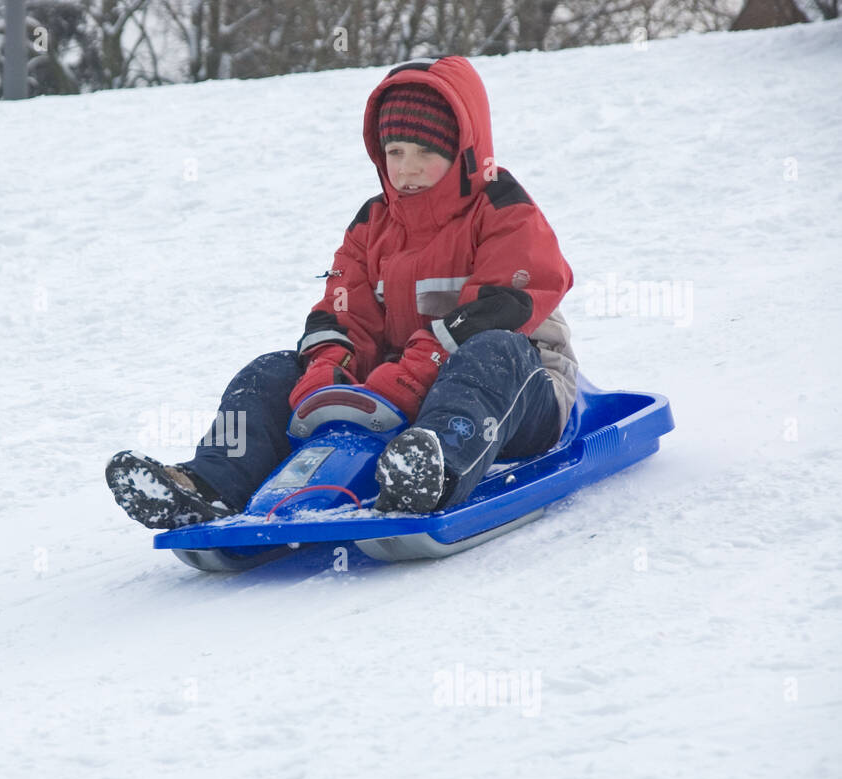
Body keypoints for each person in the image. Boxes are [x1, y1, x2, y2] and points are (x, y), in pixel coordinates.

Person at [106, 55, 578, 529]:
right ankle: (207, 484)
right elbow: (340, 309)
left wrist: (414, 375)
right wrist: (326, 371)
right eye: (395, 152)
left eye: (424, 152)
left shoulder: (503, 209)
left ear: (463, 151)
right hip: (394, 393)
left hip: (518, 392)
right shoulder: (373, 223)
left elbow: (497, 308)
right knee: (270, 372)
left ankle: (430, 472)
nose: (407, 169)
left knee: (493, 351)